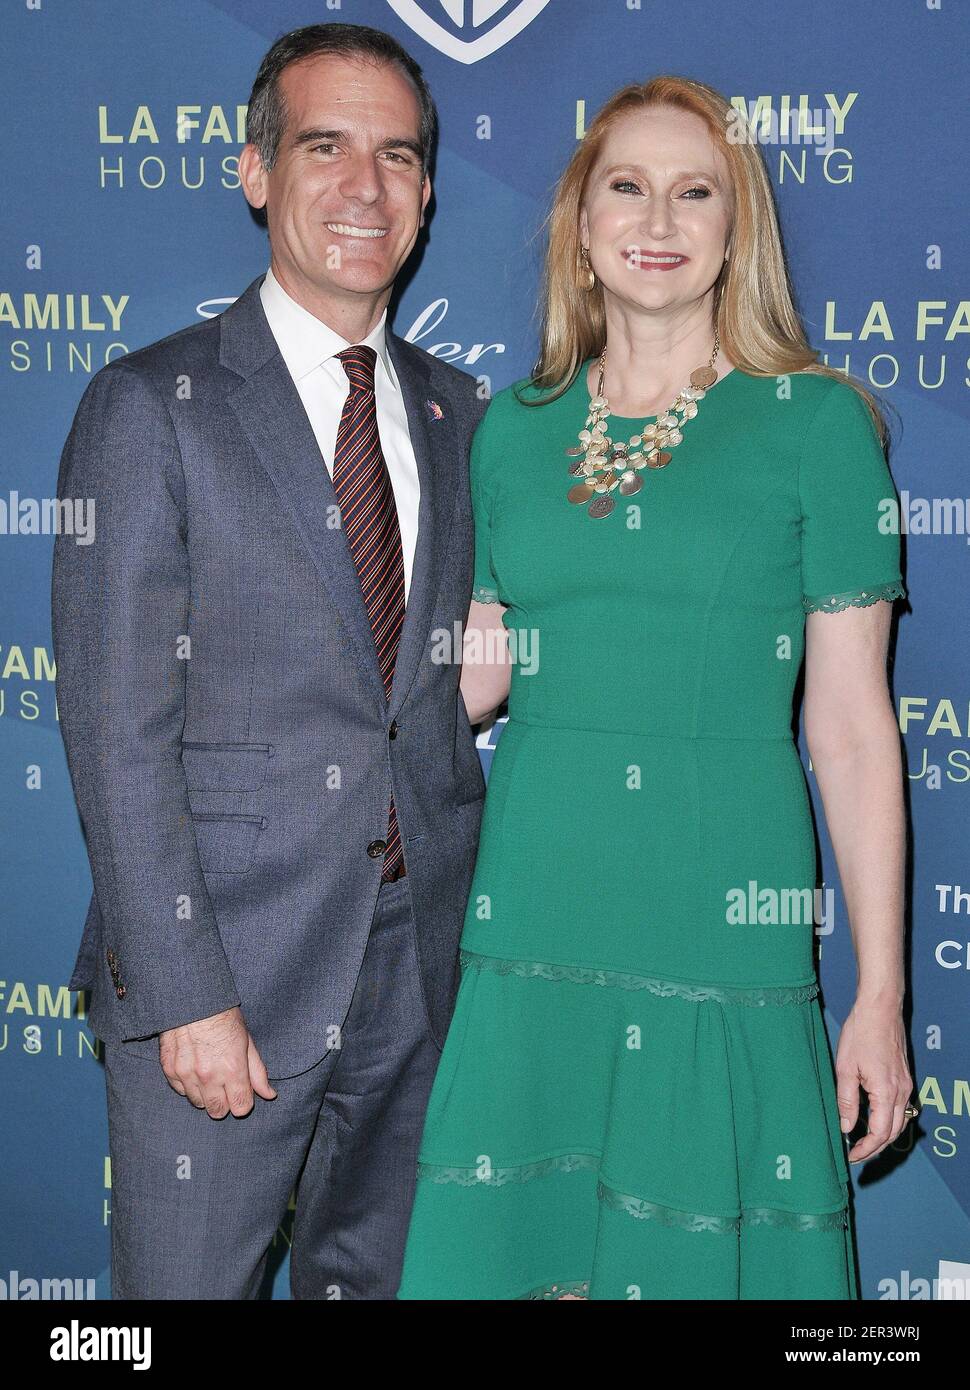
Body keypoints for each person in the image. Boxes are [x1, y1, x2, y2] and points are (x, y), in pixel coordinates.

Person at [397, 74, 915, 1301]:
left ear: (738, 230)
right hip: (532, 920)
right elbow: (472, 675)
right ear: (579, 221)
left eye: (697, 192)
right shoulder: (514, 427)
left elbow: (848, 728)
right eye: (625, 185)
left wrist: (881, 993)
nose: (659, 217)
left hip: (714, 923)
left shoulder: (815, 424)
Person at [51, 23, 486, 1300]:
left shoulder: (464, 416)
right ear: (254, 172)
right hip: (224, 974)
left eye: (397, 156)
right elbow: (115, 727)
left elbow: (418, 683)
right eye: (325, 147)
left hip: (420, 975)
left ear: (426, 191)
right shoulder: (149, 406)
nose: (366, 187)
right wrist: (184, 993)